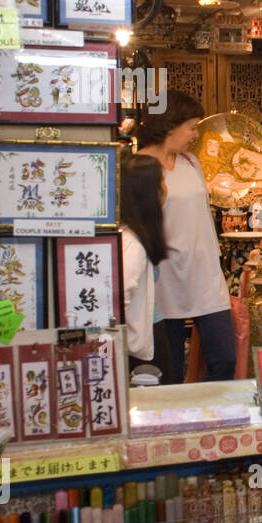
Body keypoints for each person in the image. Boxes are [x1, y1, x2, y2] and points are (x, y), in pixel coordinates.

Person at [135, 90, 235, 381]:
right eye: (191, 126)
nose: (195, 134)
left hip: (205, 275)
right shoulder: (140, 167)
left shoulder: (191, 162)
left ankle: (209, 417)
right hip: (163, 279)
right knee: (169, 371)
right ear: (169, 125)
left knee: (225, 359)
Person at [119, 153, 174, 382]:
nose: (165, 187)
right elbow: (120, 297)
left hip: (148, 331)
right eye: (160, 181)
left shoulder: (133, 236)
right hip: (142, 339)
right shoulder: (133, 244)